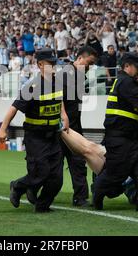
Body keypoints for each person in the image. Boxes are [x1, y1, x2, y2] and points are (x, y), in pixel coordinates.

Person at [0, 48, 70, 213]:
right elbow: (13, 108)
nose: (54, 67)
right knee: (40, 173)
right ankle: (17, 187)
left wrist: (64, 115)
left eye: (54, 64)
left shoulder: (57, 83)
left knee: (56, 179)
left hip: (53, 137)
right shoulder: (32, 87)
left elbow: (60, 101)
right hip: (36, 138)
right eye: (50, 64)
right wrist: (2, 129)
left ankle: (42, 206)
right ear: (40, 65)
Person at [92, 52, 138, 212]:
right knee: (116, 173)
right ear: (127, 66)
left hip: (131, 137)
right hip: (120, 137)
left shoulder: (125, 81)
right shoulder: (127, 82)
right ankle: (98, 192)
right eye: (137, 67)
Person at [61, 126, 138, 205]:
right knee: (89, 147)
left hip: (116, 177)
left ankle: (60, 129)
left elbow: (136, 149)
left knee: (87, 151)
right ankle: (62, 125)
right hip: (119, 165)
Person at [58, 46, 97, 207]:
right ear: (80, 58)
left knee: (78, 163)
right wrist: (63, 115)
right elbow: (57, 94)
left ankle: (80, 197)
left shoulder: (79, 77)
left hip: (73, 128)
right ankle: (26, 188)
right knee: (53, 167)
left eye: (92, 65)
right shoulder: (66, 73)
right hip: (60, 129)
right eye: (89, 63)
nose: (90, 67)